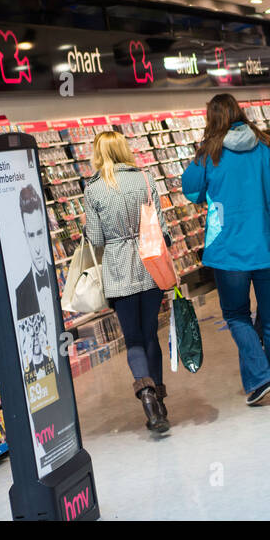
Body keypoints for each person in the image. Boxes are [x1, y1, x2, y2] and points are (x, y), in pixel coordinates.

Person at [181, 93, 270, 405]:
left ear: (212, 119)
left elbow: (190, 190)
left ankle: (261, 378)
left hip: (227, 251)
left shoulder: (209, 152)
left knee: (236, 315)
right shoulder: (267, 145)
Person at [82, 130, 171, 433]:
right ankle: (159, 399)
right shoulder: (144, 179)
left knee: (132, 339)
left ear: (98, 153)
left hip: (118, 270)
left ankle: (145, 397)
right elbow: (161, 225)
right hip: (149, 266)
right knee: (150, 335)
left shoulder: (93, 189)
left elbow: (95, 239)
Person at [15, 185, 50, 320]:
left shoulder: (60, 277)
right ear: (25, 237)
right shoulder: (21, 292)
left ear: (45, 229)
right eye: (31, 235)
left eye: (39, 233)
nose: (37, 249)